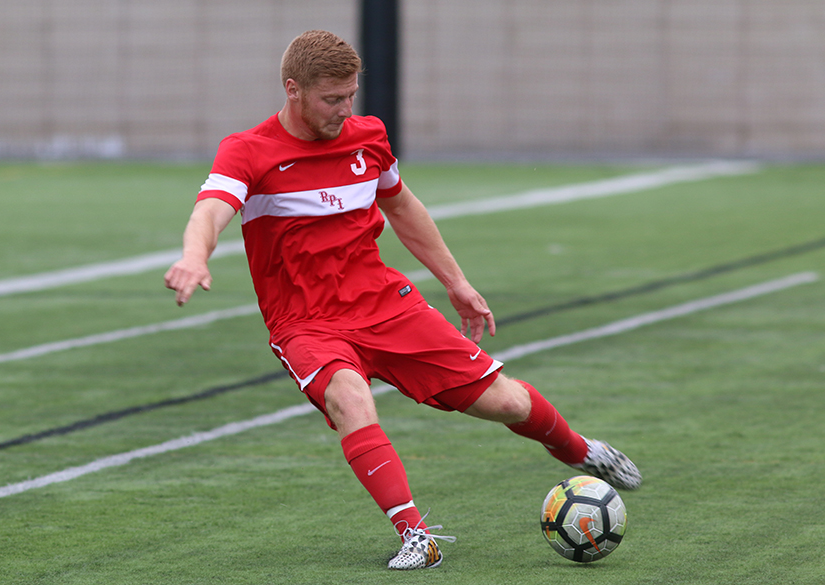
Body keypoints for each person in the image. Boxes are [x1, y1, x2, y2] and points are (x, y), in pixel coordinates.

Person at [164, 29, 641, 571]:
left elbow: (404, 208)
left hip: (385, 304)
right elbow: (211, 209)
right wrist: (195, 256)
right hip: (307, 323)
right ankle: (417, 534)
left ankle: (582, 451)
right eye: (331, 99)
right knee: (351, 400)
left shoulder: (367, 136)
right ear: (293, 89)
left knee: (505, 402)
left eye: (351, 96)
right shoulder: (249, 150)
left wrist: (457, 282)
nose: (345, 110)